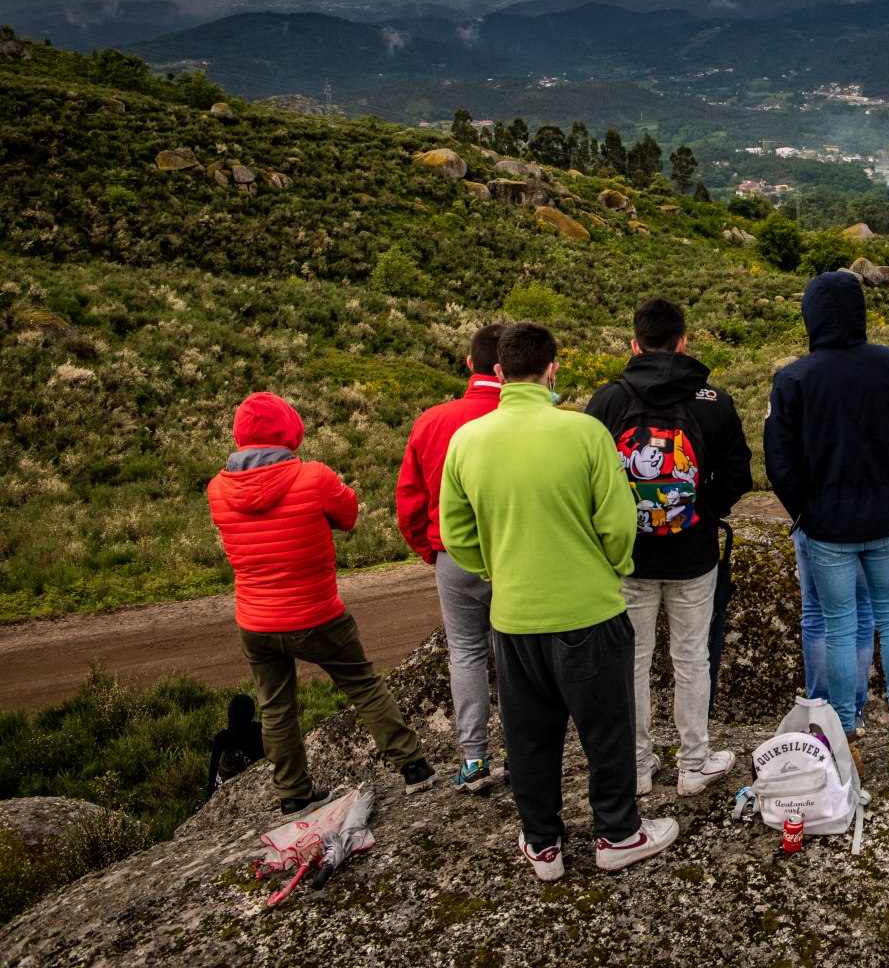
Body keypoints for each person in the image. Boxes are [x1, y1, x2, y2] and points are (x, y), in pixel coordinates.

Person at [440, 322, 672, 880]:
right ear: (553, 369)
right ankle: (618, 834)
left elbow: (455, 534)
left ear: (499, 372)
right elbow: (618, 525)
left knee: (528, 738)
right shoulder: (585, 433)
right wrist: (611, 567)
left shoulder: (467, 441)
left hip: (514, 617)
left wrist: (498, 570)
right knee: (607, 731)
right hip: (589, 610)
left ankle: (543, 845)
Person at [206, 392, 434, 815]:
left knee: (276, 709)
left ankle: (292, 792)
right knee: (364, 685)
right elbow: (349, 515)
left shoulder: (218, 489)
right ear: (290, 431)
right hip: (316, 614)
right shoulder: (313, 476)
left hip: (256, 621)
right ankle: (413, 767)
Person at [765, 270, 889, 774]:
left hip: (826, 527)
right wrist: (885, 464)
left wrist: (806, 511)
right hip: (886, 518)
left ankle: (846, 743)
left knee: (839, 628)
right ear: (860, 312)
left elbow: (779, 463)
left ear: (812, 316)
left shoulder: (795, 378)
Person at [585, 298, 752, 797]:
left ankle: (637, 766)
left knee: (632, 661)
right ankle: (694, 763)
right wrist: (702, 510)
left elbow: (589, 480)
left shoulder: (607, 401)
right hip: (693, 553)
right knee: (691, 658)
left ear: (634, 345)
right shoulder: (713, 400)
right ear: (683, 342)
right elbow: (738, 475)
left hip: (627, 556)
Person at [395, 323, 505, 794]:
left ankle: (474, 758)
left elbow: (409, 502)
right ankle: (523, 752)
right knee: (513, 652)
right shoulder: (521, 415)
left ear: (469, 363)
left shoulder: (432, 421)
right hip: (514, 553)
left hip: (453, 556)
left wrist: (434, 551)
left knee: (465, 653)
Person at [206, 694, 265, 797]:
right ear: (251, 712)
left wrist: (211, 794)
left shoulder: (222, 738)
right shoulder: (261, 730)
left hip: (226, 794)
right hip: (256, 788)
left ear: (230, 713)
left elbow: (213, 772)